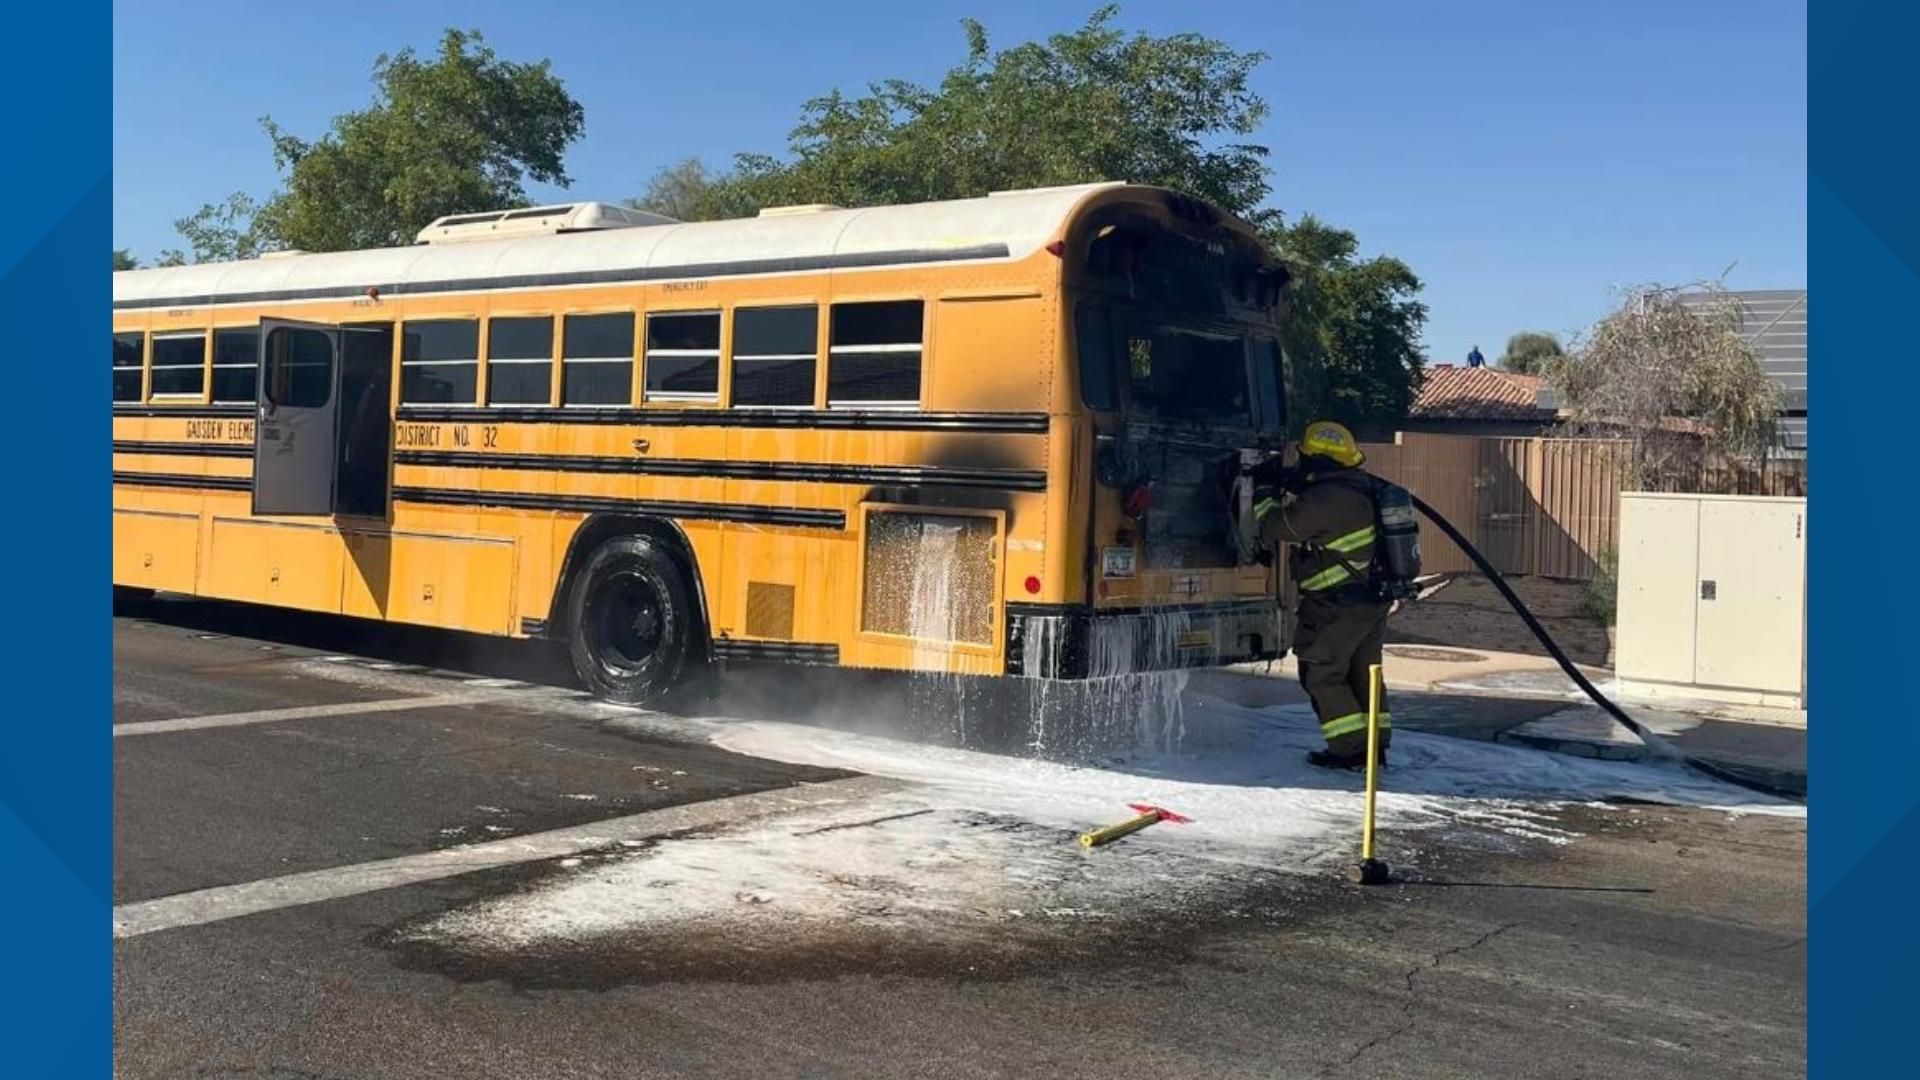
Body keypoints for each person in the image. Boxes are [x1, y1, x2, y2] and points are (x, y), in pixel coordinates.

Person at [1252, 419, 1392, 770]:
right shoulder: (1360, 489)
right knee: (1364, 674)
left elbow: (1275, 526)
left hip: (1335, 607)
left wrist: (1261, 493)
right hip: (1368, 602)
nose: (1301, 463)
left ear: (1321, 462)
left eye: (1307, 458)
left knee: (1322, 674)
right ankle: (1375, 748)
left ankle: (1347, 750)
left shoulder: (1328, 500)